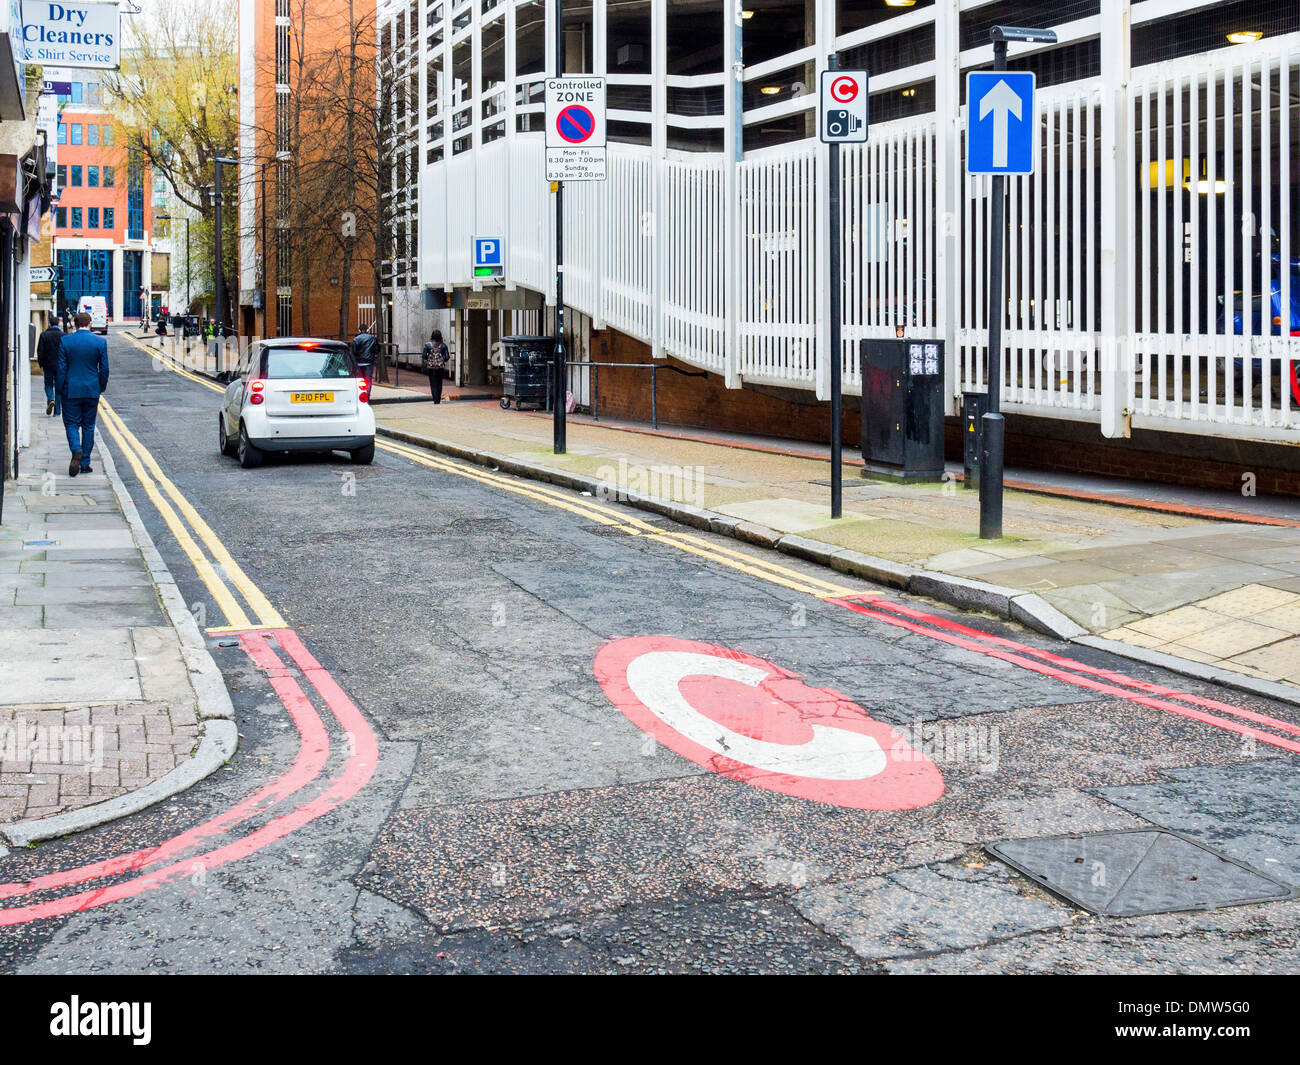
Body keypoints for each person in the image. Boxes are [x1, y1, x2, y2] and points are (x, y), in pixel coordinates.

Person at [56, 312, 110, 477]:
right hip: (91, 390)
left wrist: (59, 389)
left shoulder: (65, 341)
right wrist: (100, 386)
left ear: (74, 323)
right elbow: (105, 369)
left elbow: (61, 369)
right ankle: (85, 463)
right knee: (88, 426)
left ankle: (75, 449)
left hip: (71, 391)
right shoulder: (100, 342)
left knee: (71, 424)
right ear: (90, 323)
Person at [36, 318, 64, 417]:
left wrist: (41, 364)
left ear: (49, 324)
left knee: (48, 384)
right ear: (59, 323)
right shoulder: (63, 336)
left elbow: (40, 351)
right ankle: (57, 411)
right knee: (59, 388)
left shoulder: (44, 335)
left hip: (48, 365)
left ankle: (51, 399)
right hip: (60, 366)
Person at [421, 328, 450, 404]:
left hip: (431, 368)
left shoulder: (428, 345)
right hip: (440, 368)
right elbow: (447, 357)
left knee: (433, 383)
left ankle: (435, 400)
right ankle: (438, 400)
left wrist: (428, 361)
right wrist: (442, 362)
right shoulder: (443, 346)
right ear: (440, 336)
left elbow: (424, 356)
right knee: (439, 383)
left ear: (432, 336)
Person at [351, 322, 378, 390]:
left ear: (359, 330)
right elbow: (377, 349)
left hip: (358, 362)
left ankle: (360, 393)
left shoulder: (356, 339)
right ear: (367, 330)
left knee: (359, 380)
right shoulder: (372, 338)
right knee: (368, 379)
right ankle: (367, 395)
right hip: (369, 362)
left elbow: (353, 352)